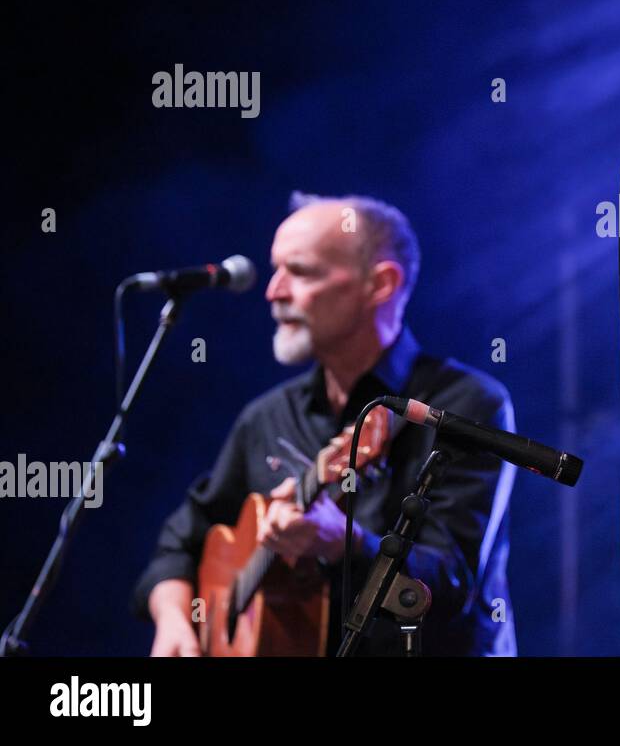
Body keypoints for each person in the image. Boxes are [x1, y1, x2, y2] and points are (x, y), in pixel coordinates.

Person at [131, 192, 517, 656]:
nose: (273, 291)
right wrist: (174, 619)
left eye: (300, 271)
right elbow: (179, 543)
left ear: (381, 284)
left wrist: (345, 540)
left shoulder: (466, 406)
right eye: (275, 270)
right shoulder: (266, 418)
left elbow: (450, 583)